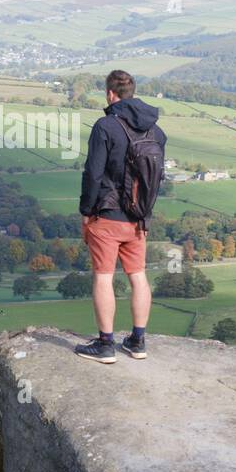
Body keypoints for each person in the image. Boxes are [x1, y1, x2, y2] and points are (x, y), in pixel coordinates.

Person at [75, 69, 166, 363]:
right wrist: (146, 217)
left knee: (103, 278)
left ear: (110, 94)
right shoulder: (156, 132)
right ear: (133, 93)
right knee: (138, 277)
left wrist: (86, 213)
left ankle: (105, 345)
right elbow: (156, 179)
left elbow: (93, 174)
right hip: (138, 219)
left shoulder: (105, 126)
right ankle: (138, 341)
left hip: (108, 217)